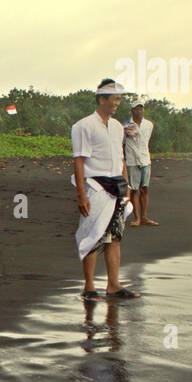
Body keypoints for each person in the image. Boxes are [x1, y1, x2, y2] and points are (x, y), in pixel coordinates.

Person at [72, 79, 139, 300]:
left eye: (119, 99)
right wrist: (81, 194)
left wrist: (126, 186)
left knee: (115, 236)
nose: (117, 103)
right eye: (114, 99)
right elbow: (79, 161)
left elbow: (120, 158)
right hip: (95, 187)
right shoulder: (84, 125)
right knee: (93, 235)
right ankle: (89, 286)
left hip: (116, 186)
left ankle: (113, 285)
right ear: (102, 99)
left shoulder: (117, 126)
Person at [123, 102, 157, 226]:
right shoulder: (126, 125)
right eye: (137, 109)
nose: (140, 111)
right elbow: (123, 142)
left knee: (145, 189)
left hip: (145, 159)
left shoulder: (149, 125)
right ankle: (137, 218)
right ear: (132, 110)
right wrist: (122, 159)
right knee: (134, 190)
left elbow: (145, 141)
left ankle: (144, 217)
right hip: (132, 160)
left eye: (141, 108)